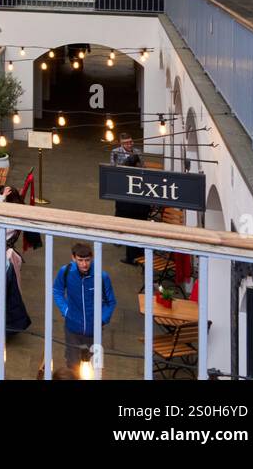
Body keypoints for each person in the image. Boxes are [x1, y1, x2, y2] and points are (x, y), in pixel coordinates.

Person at [52, 242, 116, 372]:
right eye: (80, 260)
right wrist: (66, 310)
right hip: (72, 329)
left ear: (92, 257)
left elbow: (111, 302)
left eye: (87, 260)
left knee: (95, 365)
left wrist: (101, 320)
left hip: (94, 331)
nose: (84, 264)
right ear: (73, 258)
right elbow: (57, 290)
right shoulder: (66, 272)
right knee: (72, 365)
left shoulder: (101, 276)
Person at [110, 134, 150, 264]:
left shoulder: (137, 151)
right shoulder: (115, 152)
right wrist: (127, 162)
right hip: (122, 185)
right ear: (121, 143)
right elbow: (114, 167)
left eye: (131, 142)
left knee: (130, 214)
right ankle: (118, 237)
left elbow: (143, 167)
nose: (129, 145)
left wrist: (137, 164)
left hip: (135, 184)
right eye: (126, 143)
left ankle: (130, 246)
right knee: (120, 213)